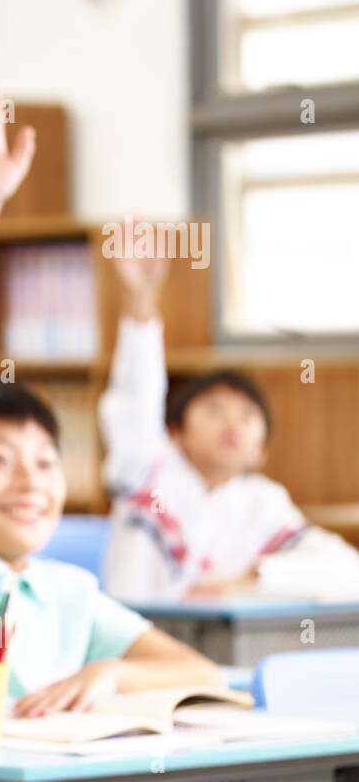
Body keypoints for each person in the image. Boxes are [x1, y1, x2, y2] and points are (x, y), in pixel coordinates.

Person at [0, 88, 222, 728]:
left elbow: (202, 674)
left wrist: (112, 671)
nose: (31, 481)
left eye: (47, 462)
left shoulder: (65, 593)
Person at [100, 249, 359, 599]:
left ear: (261, 453)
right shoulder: (147, 470)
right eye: (213, 409)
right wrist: (141, 303)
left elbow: (348, 572)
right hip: (134, 646)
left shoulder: (263, 503)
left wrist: (254, 577)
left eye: (248, 417)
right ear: (175, 433)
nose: (231, 424)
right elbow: (136, 399)